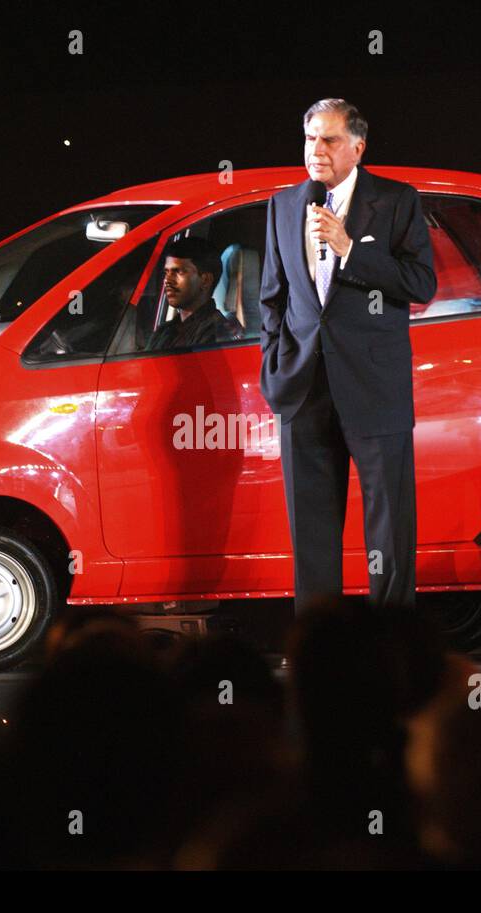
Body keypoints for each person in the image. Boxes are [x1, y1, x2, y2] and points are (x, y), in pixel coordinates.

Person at [258, 98, 436, 613]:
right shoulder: (285, 205)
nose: (317, 150)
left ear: (358, 147)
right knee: (311, 530)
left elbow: (421, 283)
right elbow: (272, 297)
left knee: (389, 525)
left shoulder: (397, 201)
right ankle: (318, 642)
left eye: (330, 140)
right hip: (302, 386)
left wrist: (351, 248)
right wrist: (275, 363)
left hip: (374, 387)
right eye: (310, 138)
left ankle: (393, 641)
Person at [147, 236, 243, 350]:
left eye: (178, 271)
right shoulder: (163, 331)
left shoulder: (217, 333)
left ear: (205, 280)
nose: (167, 280)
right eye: (166, 272)